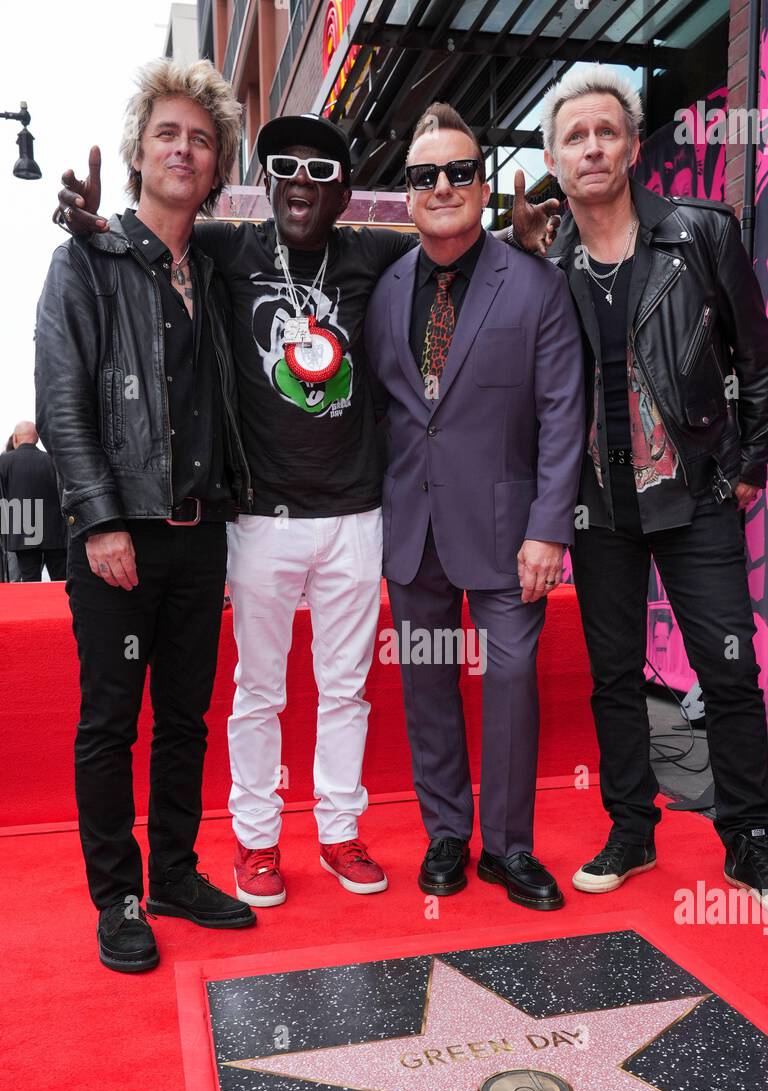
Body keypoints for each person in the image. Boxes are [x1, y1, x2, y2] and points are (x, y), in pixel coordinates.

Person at [57, 114, 558, 909]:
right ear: (264, 180)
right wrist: (95, 228)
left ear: (345, 193)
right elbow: (160, 229)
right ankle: (256, 844)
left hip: (359, 518)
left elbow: (450, 238)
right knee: (258, 691)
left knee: (346, 689)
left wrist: (518, 236)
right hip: (260, 517)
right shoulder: (230, 247)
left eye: (321, 171)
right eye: (283, 165)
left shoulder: (375, 252)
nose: (301, 181)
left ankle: (338, 831)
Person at [541, 65, 768, 918]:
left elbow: (758, 363)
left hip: (695, 495)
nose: (592, 147)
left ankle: (749, 843)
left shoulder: (700, 234)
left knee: (728, 674)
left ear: (631, 146)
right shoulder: (545, 272)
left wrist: (745, 471)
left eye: (606, 131)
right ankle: (632, 828)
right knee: (614, 679)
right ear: (553, 159)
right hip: (599, 508)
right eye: (574, 136)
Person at [36, 59, 257, 974]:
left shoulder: (213, 269)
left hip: (202, 535)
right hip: (120, 533)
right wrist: (98, 520)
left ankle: (173, 872)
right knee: (109, 723)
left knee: (187, 720)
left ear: (215, 170)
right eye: (168, 133)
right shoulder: (84, 258)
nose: (183, 148)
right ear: (138, 151)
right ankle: (117, 897)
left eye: (201, 140)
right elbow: (61, 400)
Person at [365, 104, 584, 911]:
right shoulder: (385, 289)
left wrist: (548, 529)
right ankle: (447, 834)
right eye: (426, 176)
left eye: (460, 171)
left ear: (483, 184)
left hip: (508, 532)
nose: (444, 186)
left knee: (513, 680)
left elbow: (565, 412)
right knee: (426, 685)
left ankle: (511, 846)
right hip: (411, 531)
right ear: (409, 193)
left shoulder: (534, 283)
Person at [0, 423, 67, 580]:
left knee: (29, 580)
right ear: (37, 439)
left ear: (15, 438)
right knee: (61, 580)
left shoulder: (3, 462)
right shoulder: (53, 461)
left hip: (21, 531)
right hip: (55, 533)